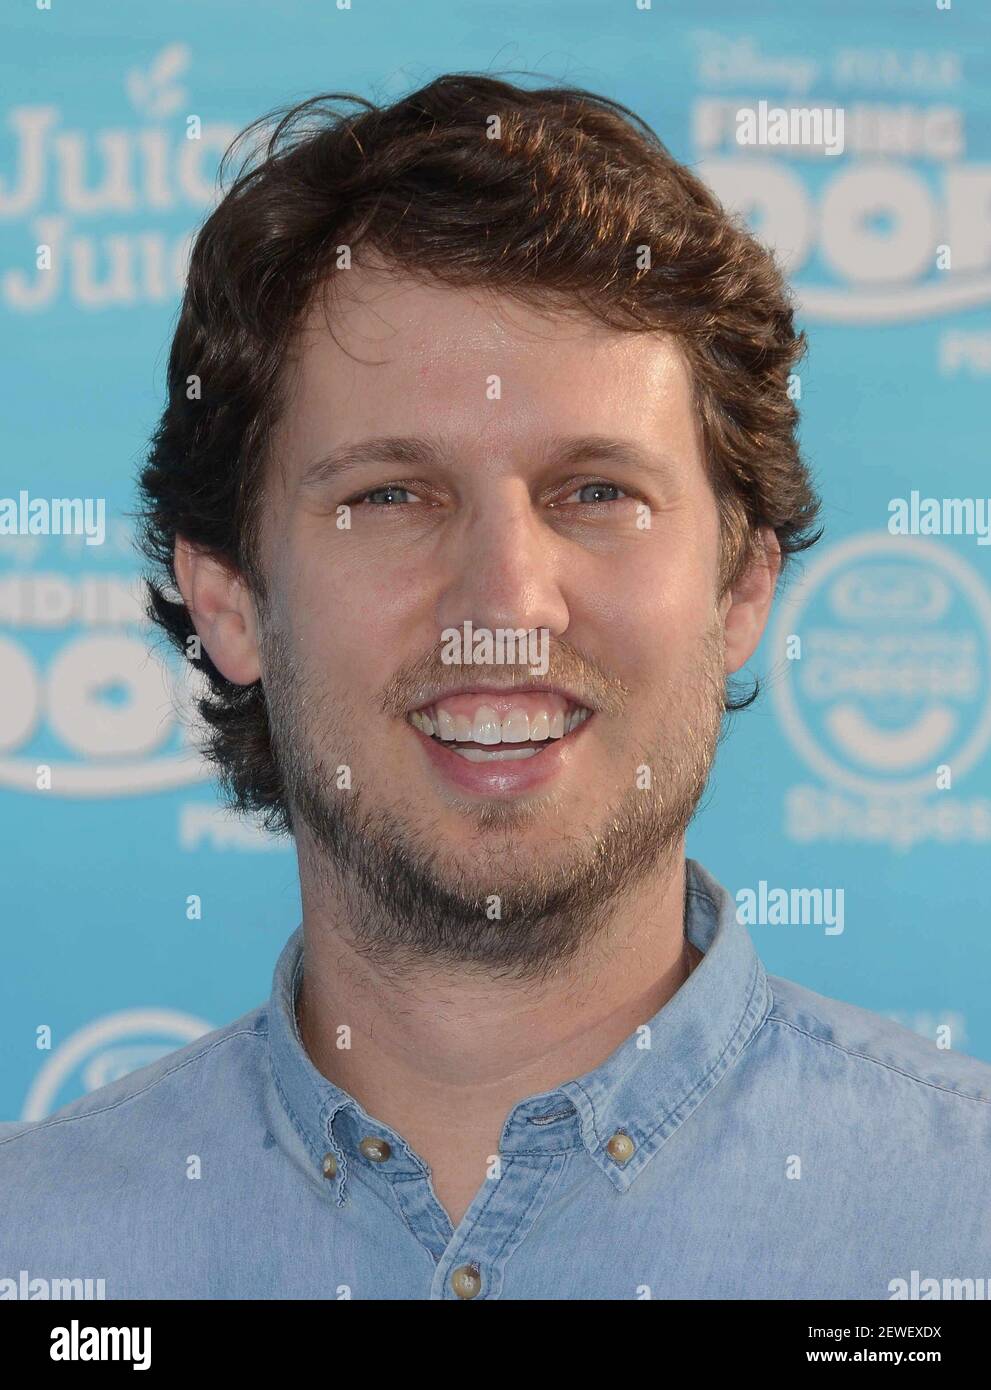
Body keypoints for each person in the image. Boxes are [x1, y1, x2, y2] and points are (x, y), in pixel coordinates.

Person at [2, 74, 988, 1302]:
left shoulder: (963, 1225)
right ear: (229, 603)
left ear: (740, 590)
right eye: (391, 495)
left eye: (594, 492)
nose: (503, 604)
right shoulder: (35, 1256)